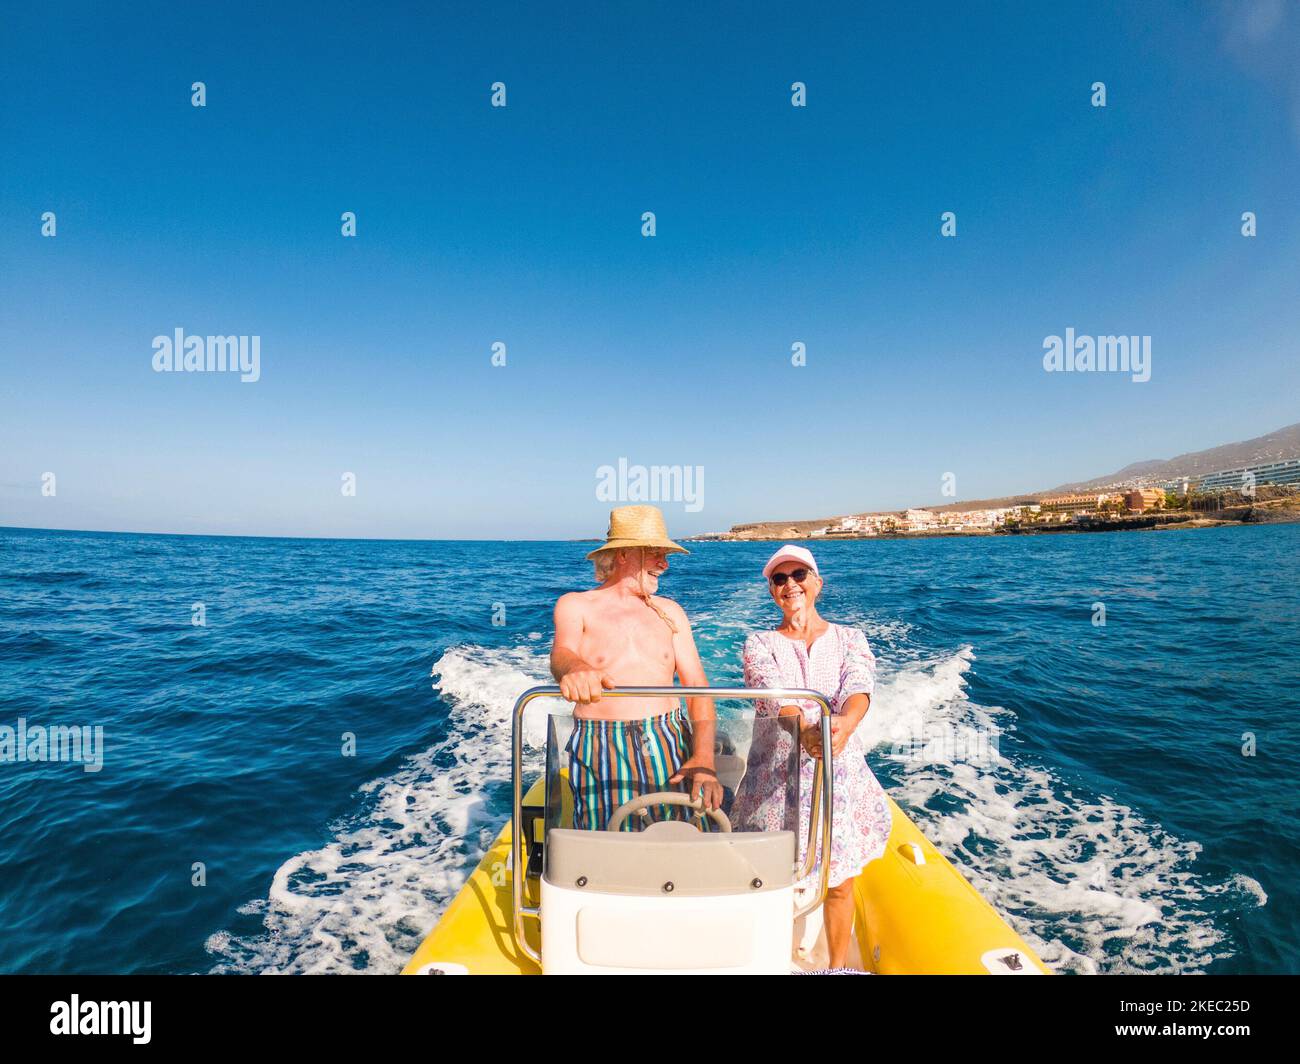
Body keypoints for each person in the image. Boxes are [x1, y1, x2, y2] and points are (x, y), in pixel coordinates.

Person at [732, 544, 892, 969]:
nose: (790, 585)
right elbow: (772, 695)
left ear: (817, 582)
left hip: (839, 782)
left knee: (838, 884)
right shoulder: (758, 643)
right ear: (771, 591)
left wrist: (844, 725)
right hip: (774, 784)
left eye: (799, 574)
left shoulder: (851, 639)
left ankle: (836, 967)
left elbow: (859, 688)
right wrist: (804, 729)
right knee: (765, 879)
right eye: (779, 579)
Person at [550, 505, 724, 831]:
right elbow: (562, 653)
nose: (665, 563)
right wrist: (575, 667)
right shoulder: (575, 605)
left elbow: (699, 690)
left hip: (669, 739)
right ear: (623, 554)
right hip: (601, 743)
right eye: (655, 553)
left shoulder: (671, 612)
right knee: (607, 843)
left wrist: (703, 759)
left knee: (678, 838)